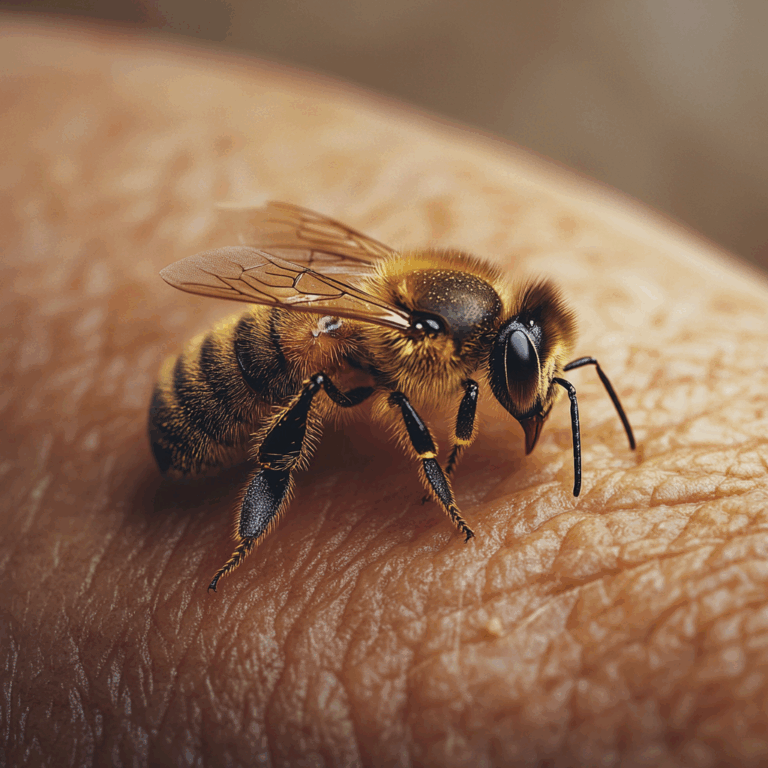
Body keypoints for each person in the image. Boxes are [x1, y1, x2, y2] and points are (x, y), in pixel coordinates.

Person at [3, 19, 768, 767]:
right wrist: (444, 476)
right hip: (220, 391)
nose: (530, 398)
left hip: (313, 327)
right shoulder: (432, 335)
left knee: (343, 381)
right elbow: (405, 401)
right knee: (317, 386)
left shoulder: (464, 326)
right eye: (528, 379)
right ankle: (245, 542)